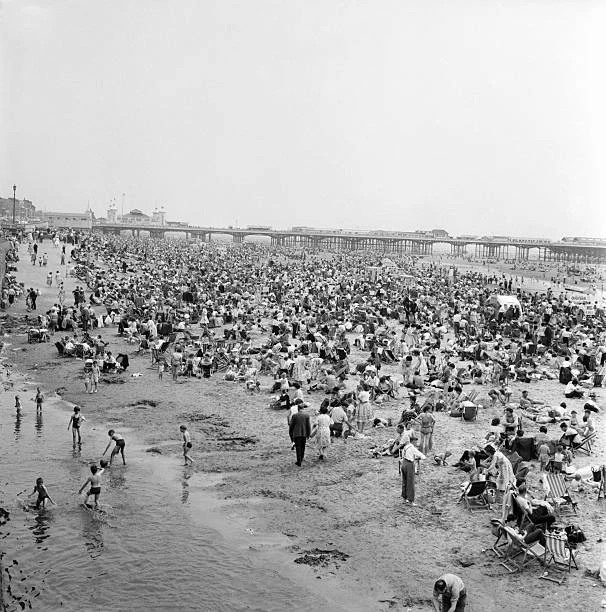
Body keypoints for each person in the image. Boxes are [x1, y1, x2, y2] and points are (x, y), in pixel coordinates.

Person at [400, 440, 425, 505]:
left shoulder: (405, 447)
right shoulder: (412, 447)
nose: (416, 443)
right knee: (410, 482)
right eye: (416, 442)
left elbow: (404, 455)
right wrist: (422, 457)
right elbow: (422, 456)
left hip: (403, 464)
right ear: (413, 442)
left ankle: (404, 498)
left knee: (404, 481)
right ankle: (411, 500)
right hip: (409, 465)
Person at [289, 401, 311, 467]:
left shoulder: (295, 416)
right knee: (303, 446)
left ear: (298, 409)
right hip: (304, 433)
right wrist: (308, 434)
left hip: (297, 434)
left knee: (298, 447)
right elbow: (308, 426)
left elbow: (291, 426)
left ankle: (299, 461)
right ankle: (301, 458)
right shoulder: (306, 415)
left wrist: (291, 433)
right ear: (303, 409)